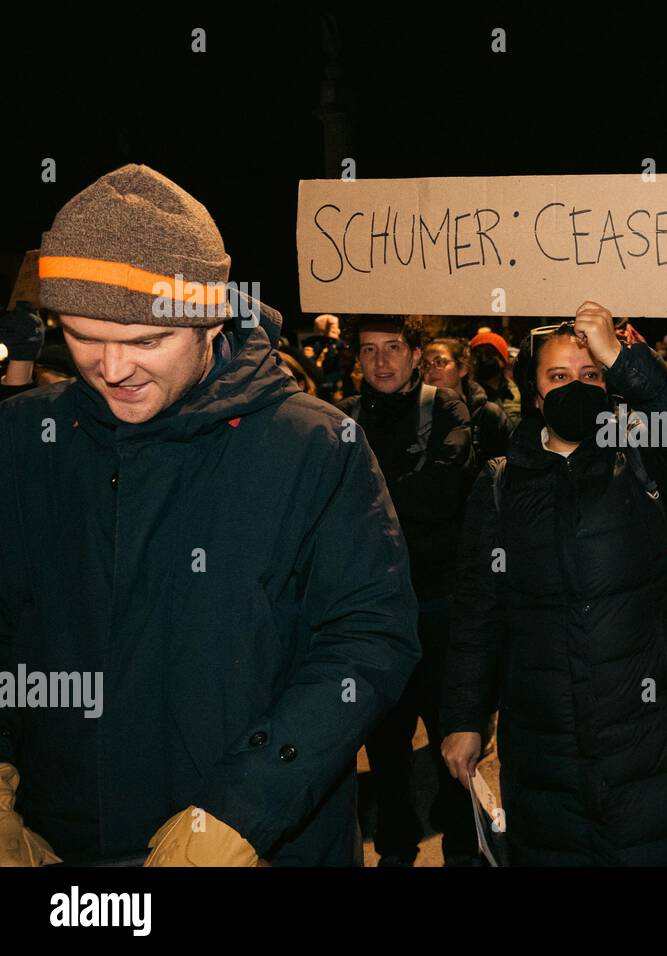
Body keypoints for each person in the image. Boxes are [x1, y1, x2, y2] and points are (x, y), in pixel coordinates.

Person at [0, 164, 419, 866]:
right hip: (63, 847)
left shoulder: (312, 444)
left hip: (261, 841)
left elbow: (368, 640)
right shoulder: (22, 437)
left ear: (212, 317)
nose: (110, 369)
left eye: (144, 342)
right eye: (80, 336)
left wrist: (247, 809)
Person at [440, 302, 667, 866]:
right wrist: (464, 717)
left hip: (650, 733)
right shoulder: (500, 484)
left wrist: (624, 358)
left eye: (591, 375)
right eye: (558, 376)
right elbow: (479, 609)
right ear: (536, 393)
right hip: (547, 741)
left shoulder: (640, 453)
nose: (577, 387)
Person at [339, 316, 477, 866]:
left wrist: (368, 501)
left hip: (440, 608)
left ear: (416, 352)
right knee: (385, 745)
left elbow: (443, 493)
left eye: (393, 347)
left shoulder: (446, 408)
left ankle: (463, 846)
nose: (381, 361)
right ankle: (395, 845)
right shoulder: (343, 417)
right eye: (369, 350)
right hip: (374, 614)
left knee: (452, 739)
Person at [422, 336, 511, 463]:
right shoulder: (419, 414)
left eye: (440, 362)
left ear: (462, 368)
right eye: (425, 365)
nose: (430, 370)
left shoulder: (487, 415)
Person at [468, 330, 521, 429]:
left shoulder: (519, 392)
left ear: (503, 359)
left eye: (489, 353)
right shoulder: (470, 397)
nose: (484, 359)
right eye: (478, 354)